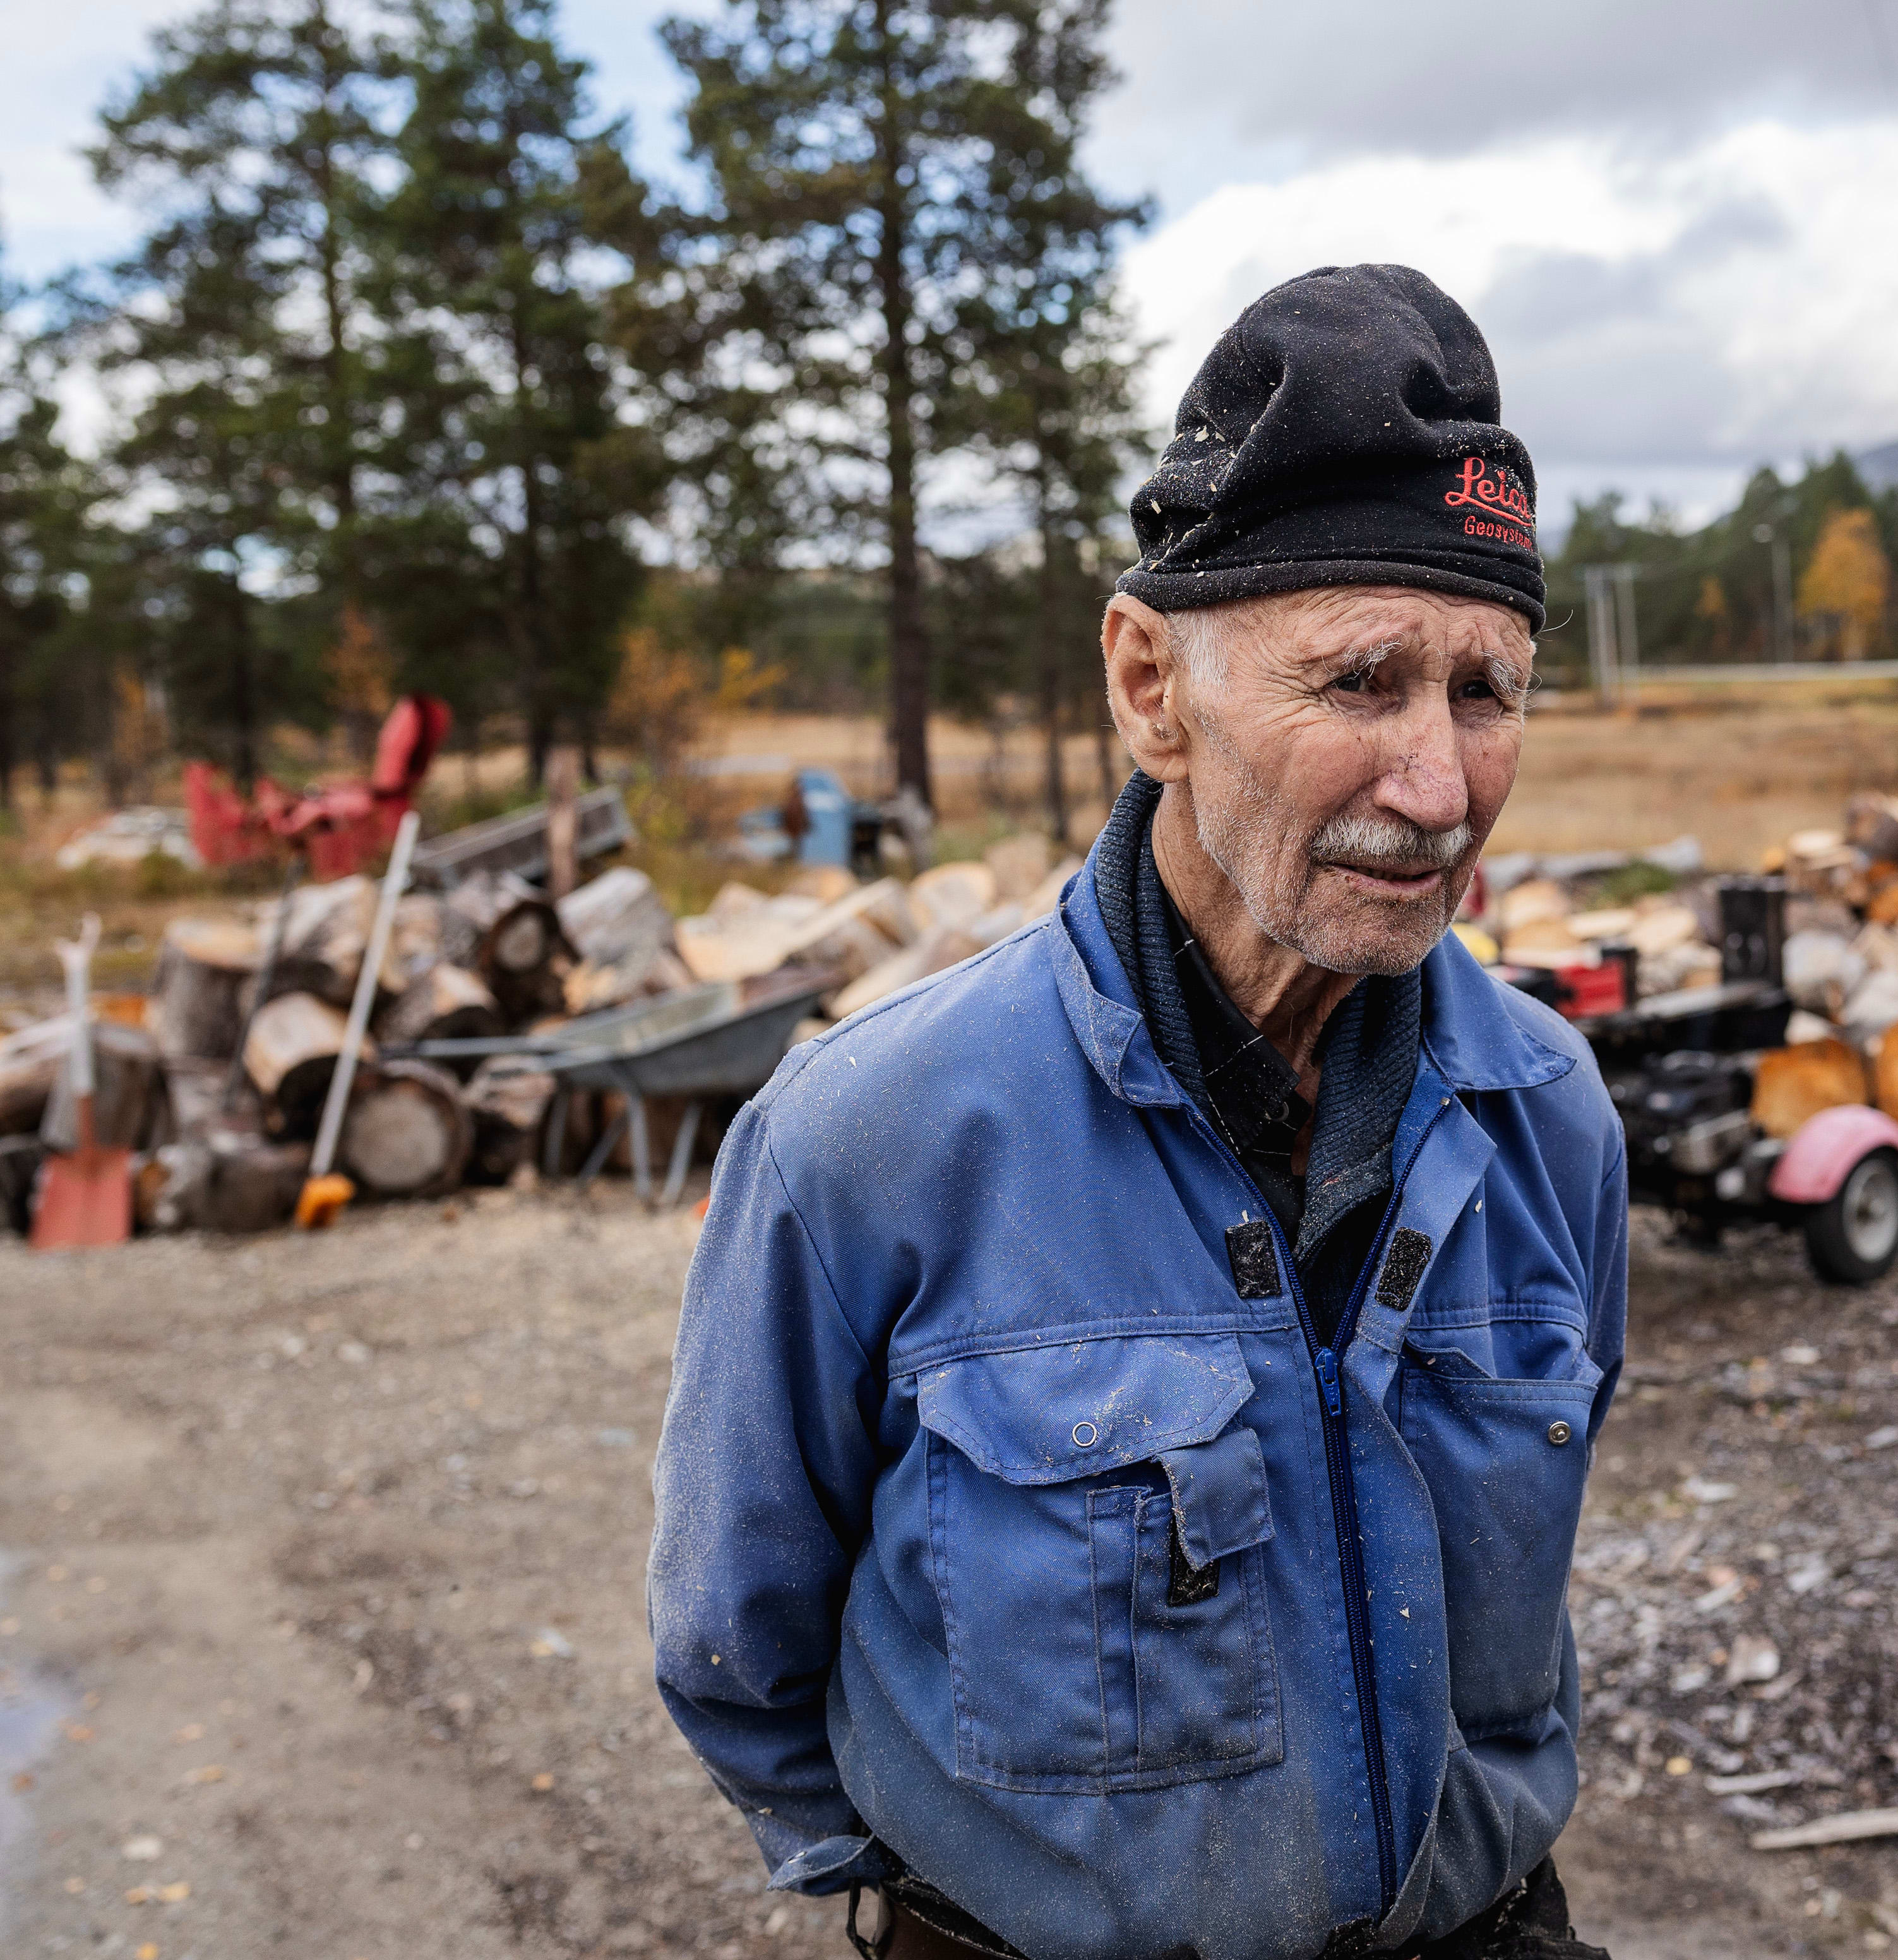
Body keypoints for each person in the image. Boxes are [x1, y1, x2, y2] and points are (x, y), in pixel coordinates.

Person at [649, 265, 1628, 1960]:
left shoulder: (1550, 1119)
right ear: (1149, 687)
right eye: (1360, 682)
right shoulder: (873, 1143)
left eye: (1488, 690)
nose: (1442, 786)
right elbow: (737, 1643)